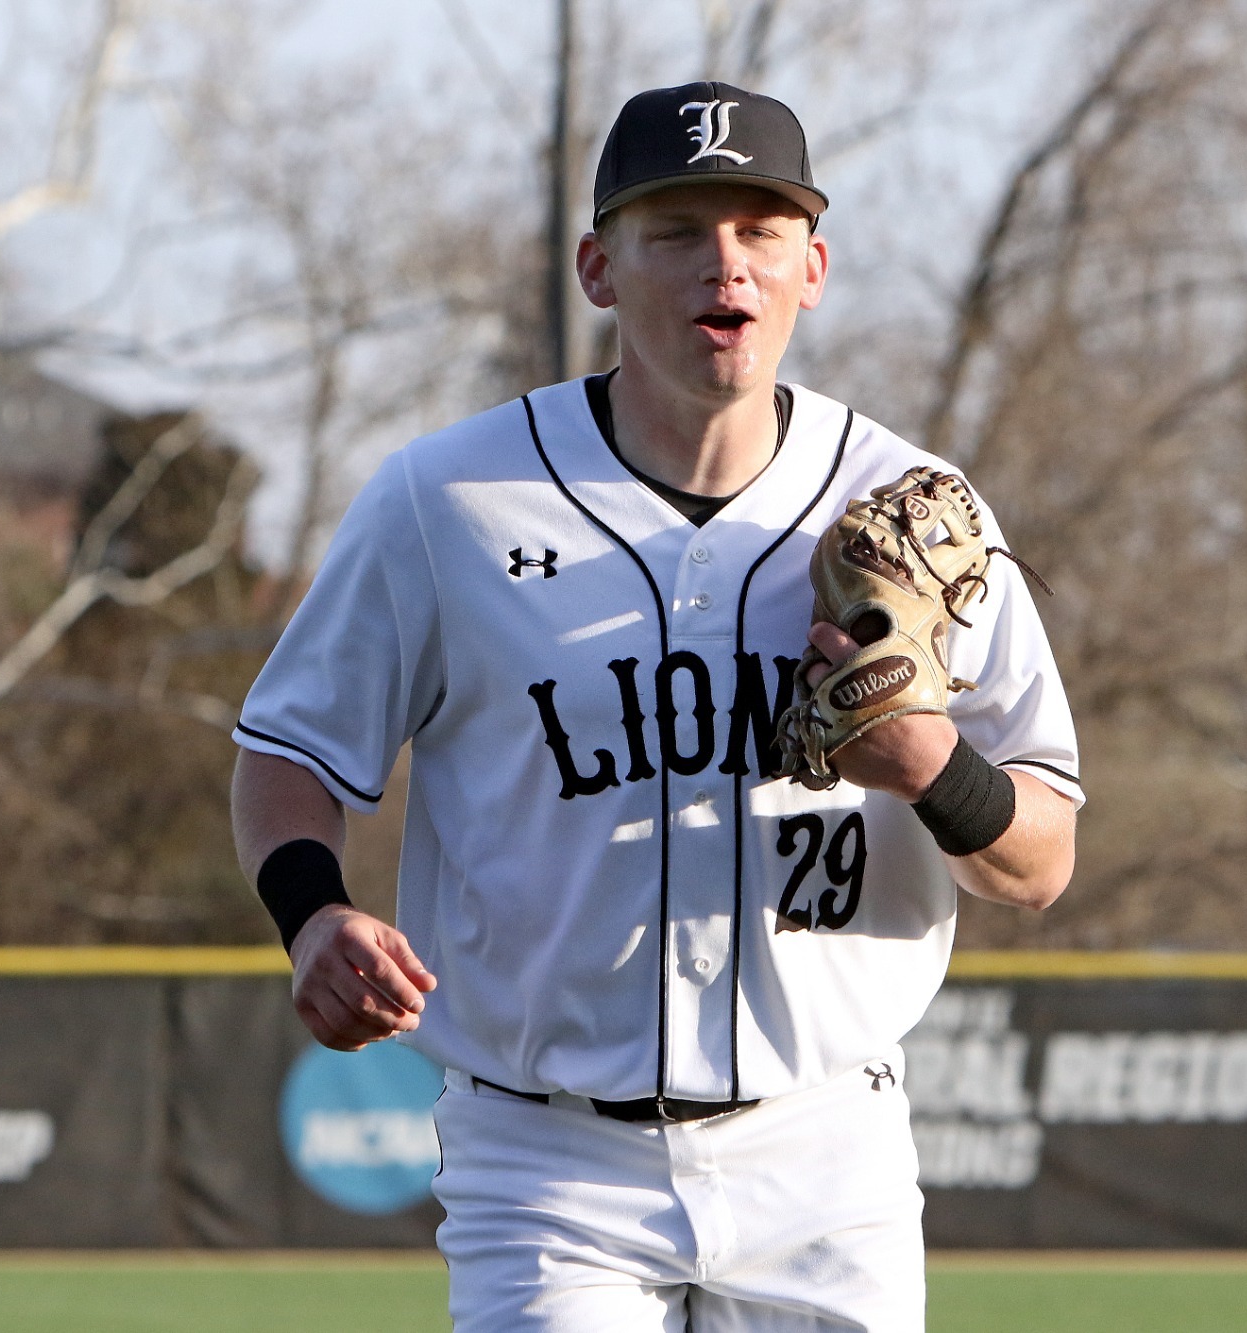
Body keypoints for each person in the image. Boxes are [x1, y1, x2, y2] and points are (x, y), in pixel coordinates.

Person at [230, 81, 1082, 1332]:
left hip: (826, 1154)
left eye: (760, 230)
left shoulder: (913, 511)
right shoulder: (448, 500)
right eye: (675, 231)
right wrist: (310, 914)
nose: (722, 265)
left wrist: (933, 769)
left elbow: (1042, 858)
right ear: (598, 269)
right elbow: (287, 752)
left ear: (811, 268)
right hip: (548, 1159)